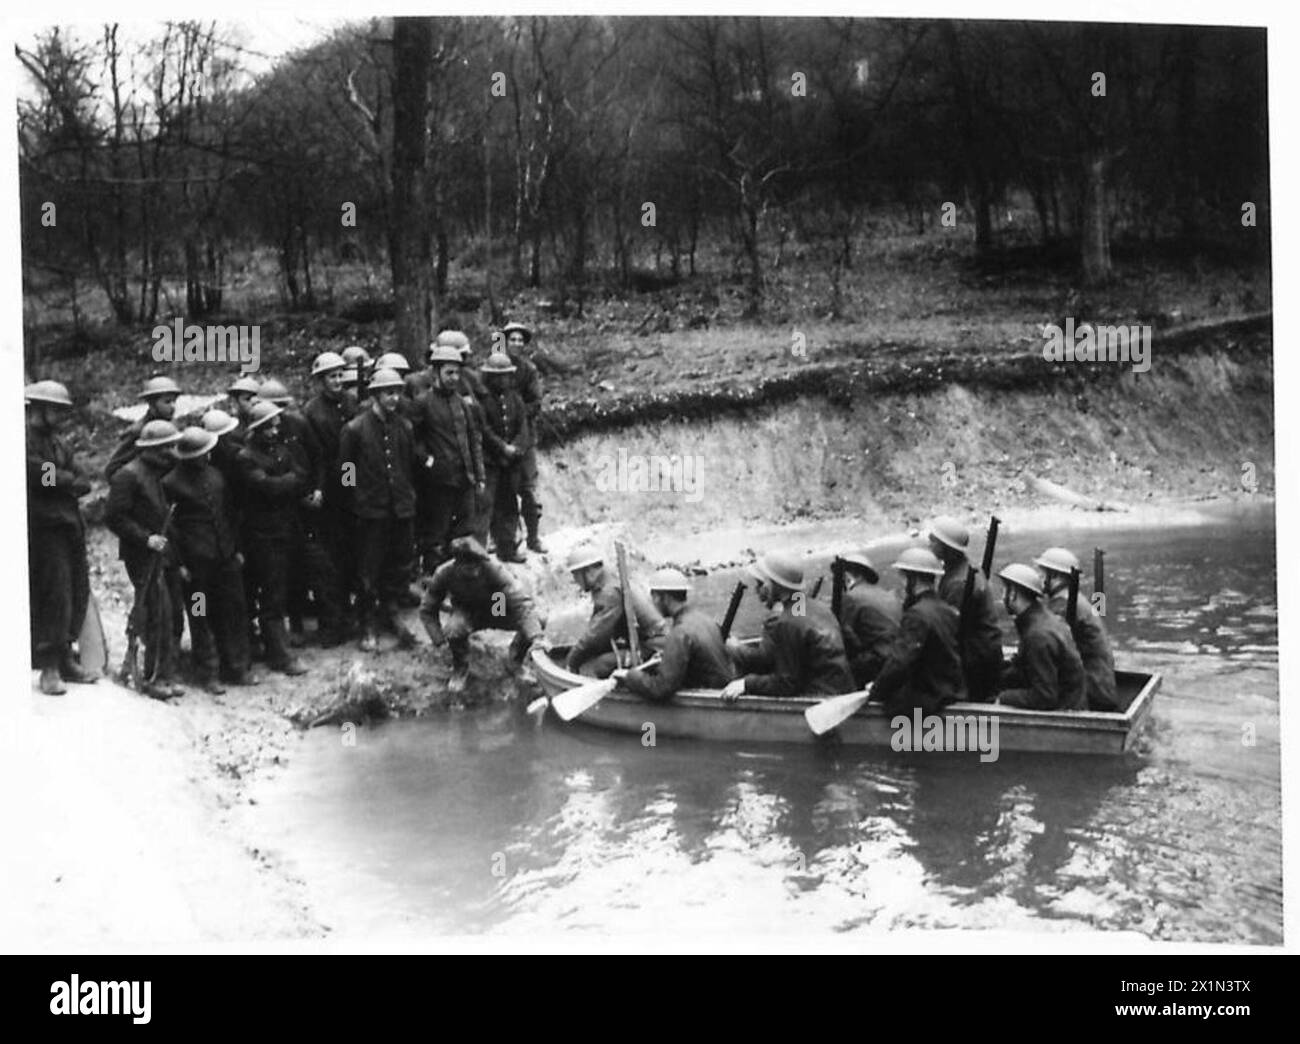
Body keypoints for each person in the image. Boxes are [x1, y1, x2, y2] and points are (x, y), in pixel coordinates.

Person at [164, 426, 258, 692]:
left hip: (225, 558)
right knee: (200, 616)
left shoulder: (216, 475)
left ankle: (237, 667)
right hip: (195, 566)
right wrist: (180, 564)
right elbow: (170, 529)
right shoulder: (170, 484)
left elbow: (229, 514)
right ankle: (208, 672)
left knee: (234, 611)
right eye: (202, 453)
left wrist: (236, 549)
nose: (207, 456)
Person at [104, 418, 186, 698]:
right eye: (166, 447)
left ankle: (168, 672)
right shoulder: (128, 475)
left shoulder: (162, 472)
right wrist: (145, 538)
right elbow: (114, 517)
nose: (171, 453)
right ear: (151, 449)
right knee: (156, 614)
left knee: (174, 612)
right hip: (143, 556)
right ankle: (152, 677)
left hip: (167, 553)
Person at [338, 368, 419, 651]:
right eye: (388, 392)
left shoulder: (405, 427)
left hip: (400, 509)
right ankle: (368, 623)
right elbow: (346, 471)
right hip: (370, 512)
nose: (394, 398)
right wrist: (357, 502)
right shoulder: (355, 429)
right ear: (374, 395)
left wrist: (406, 497)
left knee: (399, 567)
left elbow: (408, 466)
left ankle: (392, 615)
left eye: (397, 392)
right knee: (368, 571)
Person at [25, 380, 96, 695]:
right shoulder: (22, 440)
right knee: (54, 593)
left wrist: (60, 478)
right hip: (45, 529)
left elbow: (85, 481)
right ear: (38, 408)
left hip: (69, 526)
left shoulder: (60, 444)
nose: (60, 415)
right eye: (55, 409)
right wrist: (63, 478)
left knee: (76, 590)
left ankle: (66, 655)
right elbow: (39, 475)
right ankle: (49, 666)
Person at [234, 400, 308, 675]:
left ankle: (272, 646)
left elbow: (300, 476)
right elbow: (267, 488)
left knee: (279, 592)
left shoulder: (280, 450)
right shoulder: (246, 457)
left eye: (277, 426)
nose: (276, 432)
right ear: (258, 429)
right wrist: (285, 482)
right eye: (270, 428)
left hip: (285, 530)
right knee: (271, 597)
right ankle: (279, 656)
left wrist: (283, 482)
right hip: (262, 537)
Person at [723, 551, 854, 701]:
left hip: (822, 701)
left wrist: (747, 683)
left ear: (770, 585)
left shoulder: (788, 621)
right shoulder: (817, 608)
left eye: (760, 584)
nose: (758, 590)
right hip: (842, 691)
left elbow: (786, 684)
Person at [420, 536, 544, 688]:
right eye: (469, 569)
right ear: (457, 564)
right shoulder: (444, 573)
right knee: (453, 629)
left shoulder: (493, 568)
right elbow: (427, 609)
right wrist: (438, 640)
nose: (476, 572)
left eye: (477, 567)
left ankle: (514, 662)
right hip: (467, 612)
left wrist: (536, 637)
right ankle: (460, 668)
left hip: (497, 608)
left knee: (538, 619)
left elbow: (520, 603)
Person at [412, 343, 484, 573]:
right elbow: (413, 440)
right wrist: (429, 461)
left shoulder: (461, 402)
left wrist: (479, 475)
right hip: (438, 482)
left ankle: (460, 579)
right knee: (437, 533)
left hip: (464, 478)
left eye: (457, 372)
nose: (454, 378)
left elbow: (474, 439)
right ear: (436, 373)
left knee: (464, 530)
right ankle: (434, 581)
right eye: (448, 373)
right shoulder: (423, 403)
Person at [868, 547, 965, 717]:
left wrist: (875, 691)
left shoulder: (917, 614)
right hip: (950, 690)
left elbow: (900, 661)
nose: (902, 584)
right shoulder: (948, 610)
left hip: (929, 698)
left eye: (903, 578)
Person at [613, 568, 734, 701]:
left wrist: (630, 676)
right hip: (720, 685)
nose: (653, 602)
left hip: (709, 697)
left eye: (654, 596)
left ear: (664, 597)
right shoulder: (704, 619)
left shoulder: (680, 632)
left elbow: (660, 689)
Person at [303, 351, 357, 632]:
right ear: (320, 381)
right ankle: (331, 619)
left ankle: (350, 612)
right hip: (329, 493)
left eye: (340, 375)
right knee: (329, 557)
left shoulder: (352, 402)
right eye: (331, 376)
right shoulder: (312, 411)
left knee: (352, 553)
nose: (337, 381)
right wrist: (320, 488)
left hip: (352, 489)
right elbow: (316, 457)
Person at [1034, 547, 1120, 711]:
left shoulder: (1063, 605)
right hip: (1100, 683)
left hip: (1091, 691)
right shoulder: (1072, 600)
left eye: (1043, 573)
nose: (1039, 577)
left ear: (1056, 577)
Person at [929, 516, 1004, 702]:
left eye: (934, 540)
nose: (929, 543)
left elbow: (948, 628)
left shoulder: (959, 582)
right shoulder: (962, 571)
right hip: (982, 652)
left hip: (976, 659)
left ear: (946, 548)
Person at [564, 545, 667, 678]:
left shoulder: (609, 592)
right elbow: (597, 626)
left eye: (576, 575)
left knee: (602, 665)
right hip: (648, 641)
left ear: (589, 572)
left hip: (653, 648)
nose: (575, 580)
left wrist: (572, 661)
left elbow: (596, 634)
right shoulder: (609, 582)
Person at [996, 563, 1087, 711]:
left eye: (1005, 590)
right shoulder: (1042, 619)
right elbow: (1024, 668)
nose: (1002, 596)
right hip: (1073, 702)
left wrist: (1003, 698)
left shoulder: (1038, 635)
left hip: (1065, 714)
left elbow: (1044, 697)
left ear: (1013, 594)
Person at [479, 351, 533, 563]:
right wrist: (502, 448)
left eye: (506, 376)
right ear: (490, 377)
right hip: (492, 461)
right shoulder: (483, 401)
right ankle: (481, 553)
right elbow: (484, 430)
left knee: (510, 504)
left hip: (512, 463)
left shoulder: (515, 399)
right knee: (487, 505)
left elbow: (523, 427)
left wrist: (517, 448)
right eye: (497, 376)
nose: (502, 380)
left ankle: (507, 548)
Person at [499, 321, 546, 552]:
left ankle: (533, 538)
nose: (516, 343)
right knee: (503, 493)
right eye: (512, 339)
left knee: (528, 490)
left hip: (524, 438)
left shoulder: (528, 370)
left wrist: (518, 415)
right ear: (504, 342)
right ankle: (504, 541)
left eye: (520, 340)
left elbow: (535, 402)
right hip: (500, 439)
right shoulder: (494, 367)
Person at [835, 549, 901, 686]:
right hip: (896, 657)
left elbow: (842, 636)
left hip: (878, 660)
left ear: (848, 576)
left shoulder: (852, 597)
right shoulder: (889, 595)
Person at [104, 375, 182, 481]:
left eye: (174, 401)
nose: (173, 406)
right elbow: (113, 469)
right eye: (167, 402)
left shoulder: (172, 426)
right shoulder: (138, 431)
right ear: (152, 404)